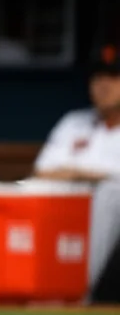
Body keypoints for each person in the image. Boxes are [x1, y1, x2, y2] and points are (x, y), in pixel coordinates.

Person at [30, 41, 120, 298]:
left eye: (113, 77)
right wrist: (90, 176)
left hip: (110, 208)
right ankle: (30, 286)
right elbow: (42, 173)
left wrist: (78, 173)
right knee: (31, 190)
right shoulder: (74, 122)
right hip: (72, 209)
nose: (104, 85)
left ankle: (78, 293)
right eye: (98, 77)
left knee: (109, 193)